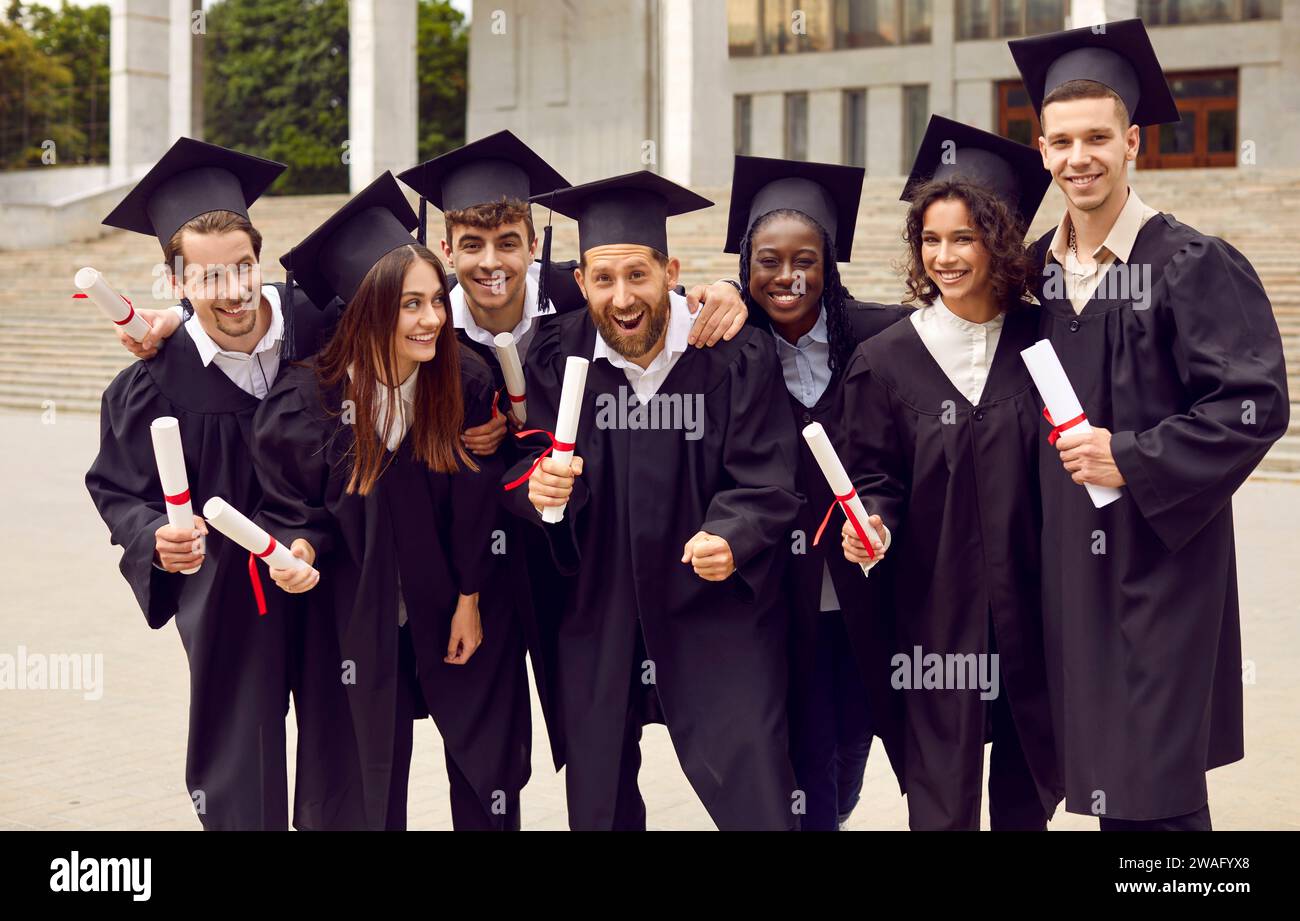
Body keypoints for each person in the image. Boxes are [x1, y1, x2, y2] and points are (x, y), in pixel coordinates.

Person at [1007, 18, 1289, 830]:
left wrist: (1129, 455)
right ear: (1043, 148)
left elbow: (1255, 404)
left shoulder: (1191, 264)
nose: (1078, 157)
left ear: (1133, 141)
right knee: (1104, 779)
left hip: (1160, 568)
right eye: (1061, 142)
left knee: (1155, 791)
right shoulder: (1036, 275)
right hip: (1065, 569)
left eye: (1098, 137)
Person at [503, 170, 803, 830]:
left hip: (713, 606)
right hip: (596, 606)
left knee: (754, 776)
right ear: (579, 283)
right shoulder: (556, 355)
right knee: (599, 800)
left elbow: (768, 476)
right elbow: (525, 457)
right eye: (603, 280)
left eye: (637, 275)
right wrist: (537, 488)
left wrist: (733, 532)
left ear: (670, 270)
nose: (622, 296)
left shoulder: (731, 354)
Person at [253, 172, 530, 830]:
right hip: (352, 620)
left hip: (455, 607)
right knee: (356, 780)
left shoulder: (462, 377)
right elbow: (293, 510)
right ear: (365, 309)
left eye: (436, 299)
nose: (433, 318)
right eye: (410, 304)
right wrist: (295, 546)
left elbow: (476, 503)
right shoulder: (306, 404)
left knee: (486, 766)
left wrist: (468, 598)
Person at [85, 139, 330, 830]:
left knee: (344, 751)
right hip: (226, 598)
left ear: (260, 260)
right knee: (238, 765)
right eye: (208, 277)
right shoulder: (149, 386)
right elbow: (116, 490)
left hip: (328, 575)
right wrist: (155, 540)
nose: (232, 290)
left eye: (243, 268)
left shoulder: (319, 328)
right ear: (177, 282)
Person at [840, 117, 1062, 830]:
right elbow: (874, 477)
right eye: (930, 239)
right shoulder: (888, 358)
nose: (944, 255)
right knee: (941, 799)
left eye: (963, 237)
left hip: (1034, 606)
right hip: (934, 614)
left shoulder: (1045, 339)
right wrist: (872, 522)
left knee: (1026, 796)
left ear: (999, 240)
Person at [723, 154, 909, 830]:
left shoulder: (885, 337)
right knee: (808, 764)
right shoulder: (727, 348)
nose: (787, 275)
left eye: (806, 258)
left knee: (849, 758)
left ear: (829, 264)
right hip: (771, 602)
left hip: (863, 596)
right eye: (767, 260)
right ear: (744, 265)